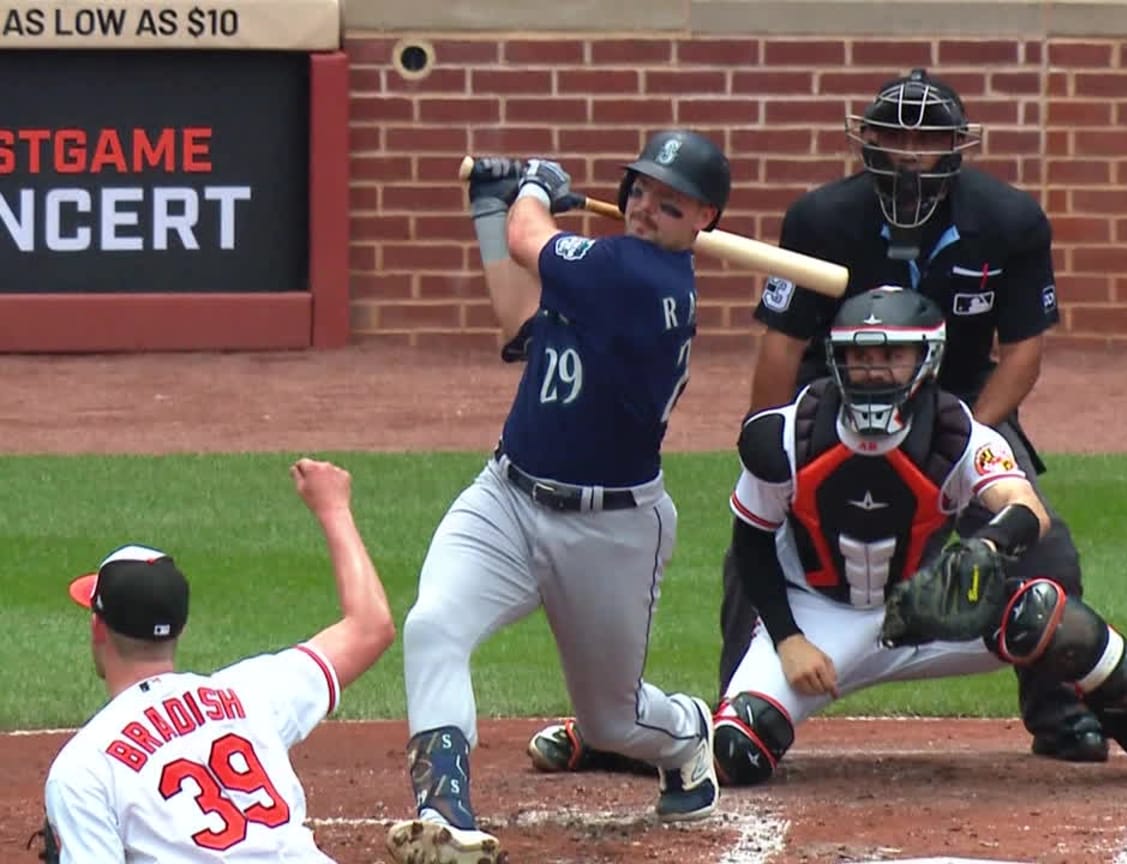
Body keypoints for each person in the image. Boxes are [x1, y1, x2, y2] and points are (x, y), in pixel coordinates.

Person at [528, 66, 1105, 773]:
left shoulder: (1010, 221)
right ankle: (731, 708)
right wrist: (766, 446)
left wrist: (964, 440)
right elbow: (783, 343)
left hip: (960, 400)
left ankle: (1059, 710)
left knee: (1045, 549)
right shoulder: (821, 219)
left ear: (958, 147)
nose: (906, 153)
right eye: (891, 135)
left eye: (924, 140)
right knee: (761, 540)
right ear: (865, 141)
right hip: (835, 400)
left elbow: (1021, 354)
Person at [606, 289, 1127, 788]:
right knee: (736, 756)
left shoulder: (958, 434)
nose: (873, 370)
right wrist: (788, 638)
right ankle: (614, 735)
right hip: (816, 621)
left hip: (925, 610)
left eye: (889, 356)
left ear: (923, 361)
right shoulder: (786, 434)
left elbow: (1023, 507)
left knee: (1048, 616)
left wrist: (986, 548)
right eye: (860, 357)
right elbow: (750, 546)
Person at [385, 130, 732, 864]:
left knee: (612, 723)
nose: (644, 209)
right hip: (506, 498)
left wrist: (534, 187)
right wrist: (492, 202)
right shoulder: (610, 273)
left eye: (669, 204)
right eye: (640, 191)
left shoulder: (639, 278)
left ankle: (688, 731)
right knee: (434, 625)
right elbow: (520, 322)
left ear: (705, 218)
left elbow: (527, 236)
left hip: (611, 530)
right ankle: (442, 811)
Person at [39, 459, 395, 863]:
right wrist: (333, 508)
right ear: (181, 628)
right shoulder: (251, 693)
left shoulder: (83, 768)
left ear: (98, 627)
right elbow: (370, 627)